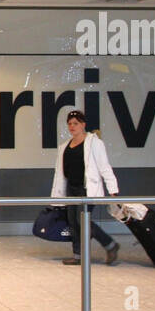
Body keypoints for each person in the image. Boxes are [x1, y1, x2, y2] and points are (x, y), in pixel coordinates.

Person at [51, 110, 120, 266]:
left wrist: (113, 190)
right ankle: (78, 255)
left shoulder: (94, 143)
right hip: (71, 188)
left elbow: (104, 167)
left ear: (83, 124)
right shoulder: (64, 146)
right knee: (73, 222)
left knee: (82, 220)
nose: (72, 126)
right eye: (69, 124)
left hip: (86, 189)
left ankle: (110, 245)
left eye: (75, 123)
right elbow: (60, 172)